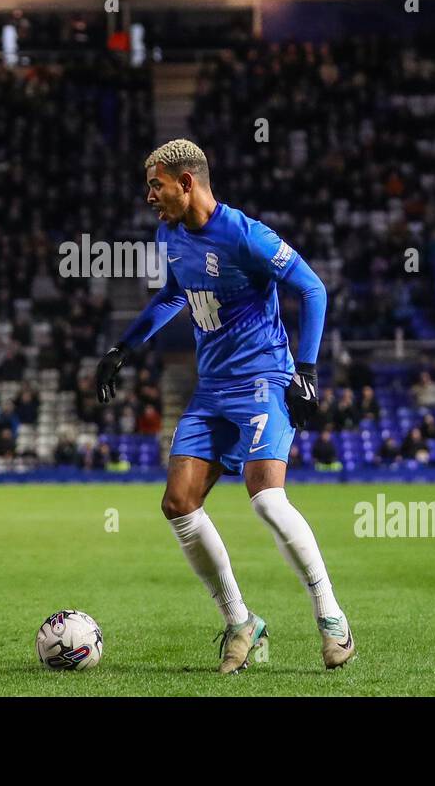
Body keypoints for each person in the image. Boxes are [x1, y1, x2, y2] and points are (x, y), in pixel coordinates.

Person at [94, 139, 353, 674]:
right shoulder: (170, 233)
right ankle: (240, 622)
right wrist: (125, 346)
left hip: (262, 380)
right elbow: (173, 295)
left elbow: (313, 289)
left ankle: (331, 616)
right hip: (212, 389)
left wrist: (306, 370)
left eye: (156, 185)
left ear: (186, 183)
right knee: (178, 503)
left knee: (265, 499)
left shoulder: (245, 234)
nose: (149, 196)